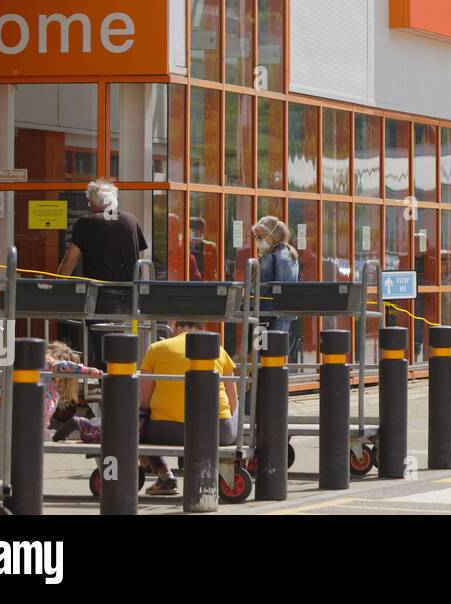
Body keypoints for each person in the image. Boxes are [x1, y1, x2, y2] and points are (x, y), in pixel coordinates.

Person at [138, 320, 240, 495]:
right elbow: (233, 400)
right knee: (236, 407)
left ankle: (164, 476)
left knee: (140, 428)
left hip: (165, 431)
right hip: (219, 432)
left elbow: (144, 400)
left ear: (175, 327)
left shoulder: (156, 348)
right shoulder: (218, 350)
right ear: (202, 329)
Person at [57, 179, 148, 367]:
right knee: (125, 348)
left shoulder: (86, 223)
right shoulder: (131, 220)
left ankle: (108, 393)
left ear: (92, 203)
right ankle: (127, 391)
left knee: (104, 351)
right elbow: (140, 257)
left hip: (103, 297)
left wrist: (57, 287)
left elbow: (70, 261)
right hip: (131, 295)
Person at [253, 216, 301, 359]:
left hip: (266, 313)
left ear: (272, 236)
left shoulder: (270, 258)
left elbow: (260, 288)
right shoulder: (291, 254)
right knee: (278, 358)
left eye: (260, 236)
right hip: (285, 313)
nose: (257, 240)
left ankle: (262, 381)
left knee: (262, 354)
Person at [44, 341, 103, 442]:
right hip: (38, 402)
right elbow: (63, 365)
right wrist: (86, 370)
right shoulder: (50, 362)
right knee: (52, 398)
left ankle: (43, 430)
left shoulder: (39, 360)